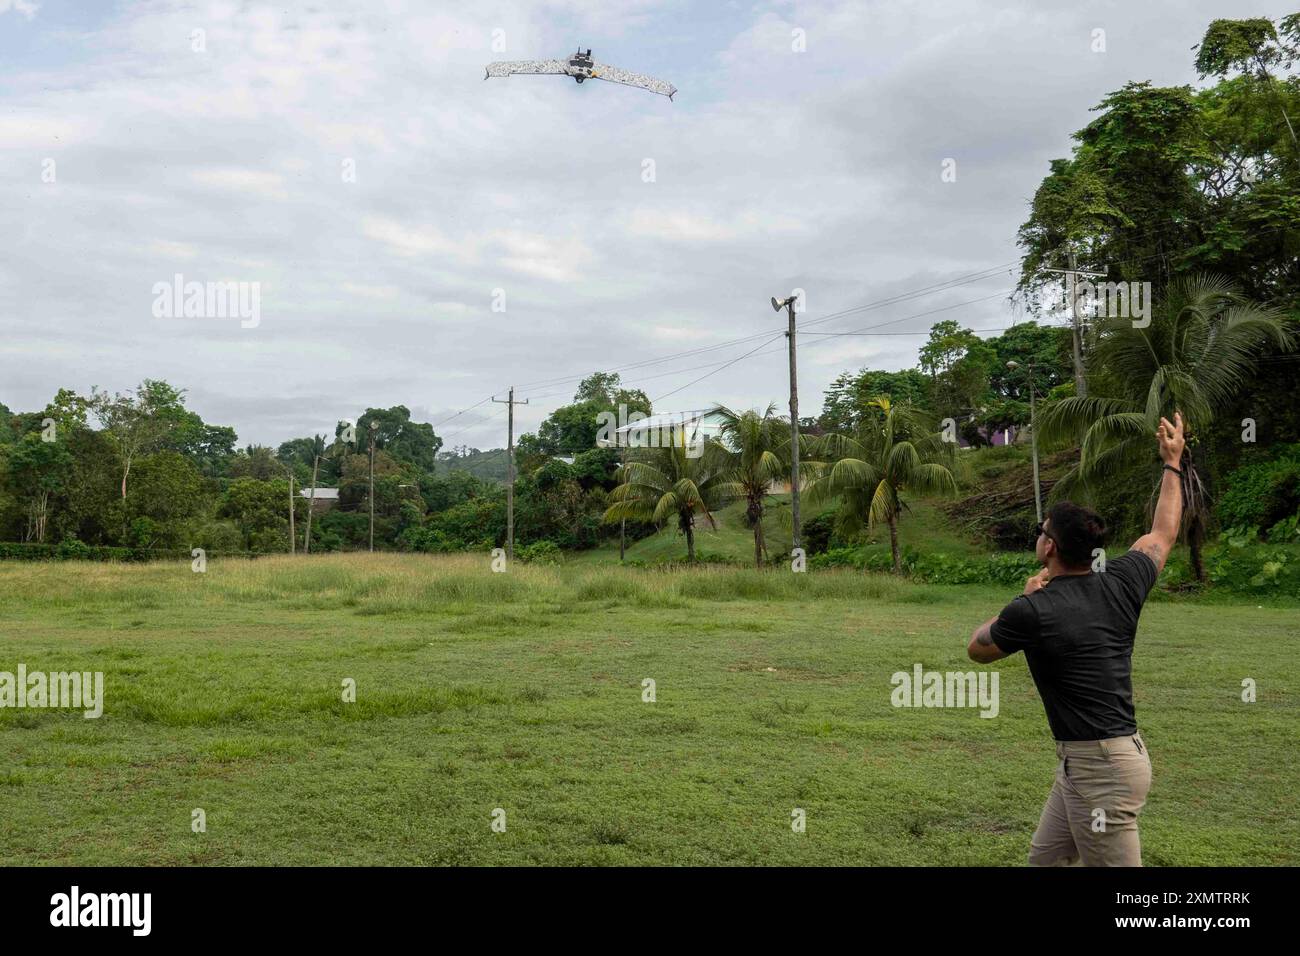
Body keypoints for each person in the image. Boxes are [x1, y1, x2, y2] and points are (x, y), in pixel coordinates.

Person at [966, 412, 1186, 866]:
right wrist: (1172, 463)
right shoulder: (1122, 579)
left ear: (1049, 547)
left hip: (1101, 766)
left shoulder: (1032, 609)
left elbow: (978, 648)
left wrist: (1022, 597)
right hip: (1090, 762)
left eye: (1042, 531)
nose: (1040, 537)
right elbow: (1163, 533)